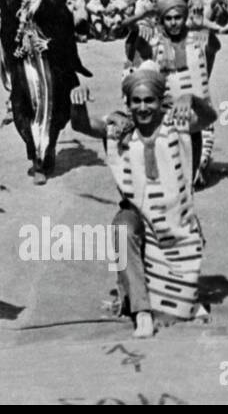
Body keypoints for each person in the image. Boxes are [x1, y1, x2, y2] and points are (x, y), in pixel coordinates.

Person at [69, 66, 217, 338]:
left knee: (181, 292)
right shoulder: (120, 129)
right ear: (128, 103)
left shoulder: (176, 123)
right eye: (136, 101)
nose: (143, 107)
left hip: (174, 214)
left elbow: (210, 117)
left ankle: (181, 298)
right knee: (122, 228)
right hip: (137, 212)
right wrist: (77, 102)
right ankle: (142, 311)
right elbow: (82, 125)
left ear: (161, 101)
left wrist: (192, 99)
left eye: (149, 100)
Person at [0, 0, 90, 183]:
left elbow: (65, 31)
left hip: (48, 67)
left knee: (47, 113)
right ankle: (37, 153)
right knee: (22, 109)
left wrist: (48, 44)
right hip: (27, 64)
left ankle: (41, 161)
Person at [128, 0, 219, 188]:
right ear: (162, 20)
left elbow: (214, 47)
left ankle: (200, 165)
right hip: (169, 116)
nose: (173, 23)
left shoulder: (197, 39)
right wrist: (140, 18)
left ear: (184, 18)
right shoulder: (156, 44)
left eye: (177, 17)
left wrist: (205, 27)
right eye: (168, 19)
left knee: (193, 177)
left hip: (200, 117)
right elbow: (131, 36)